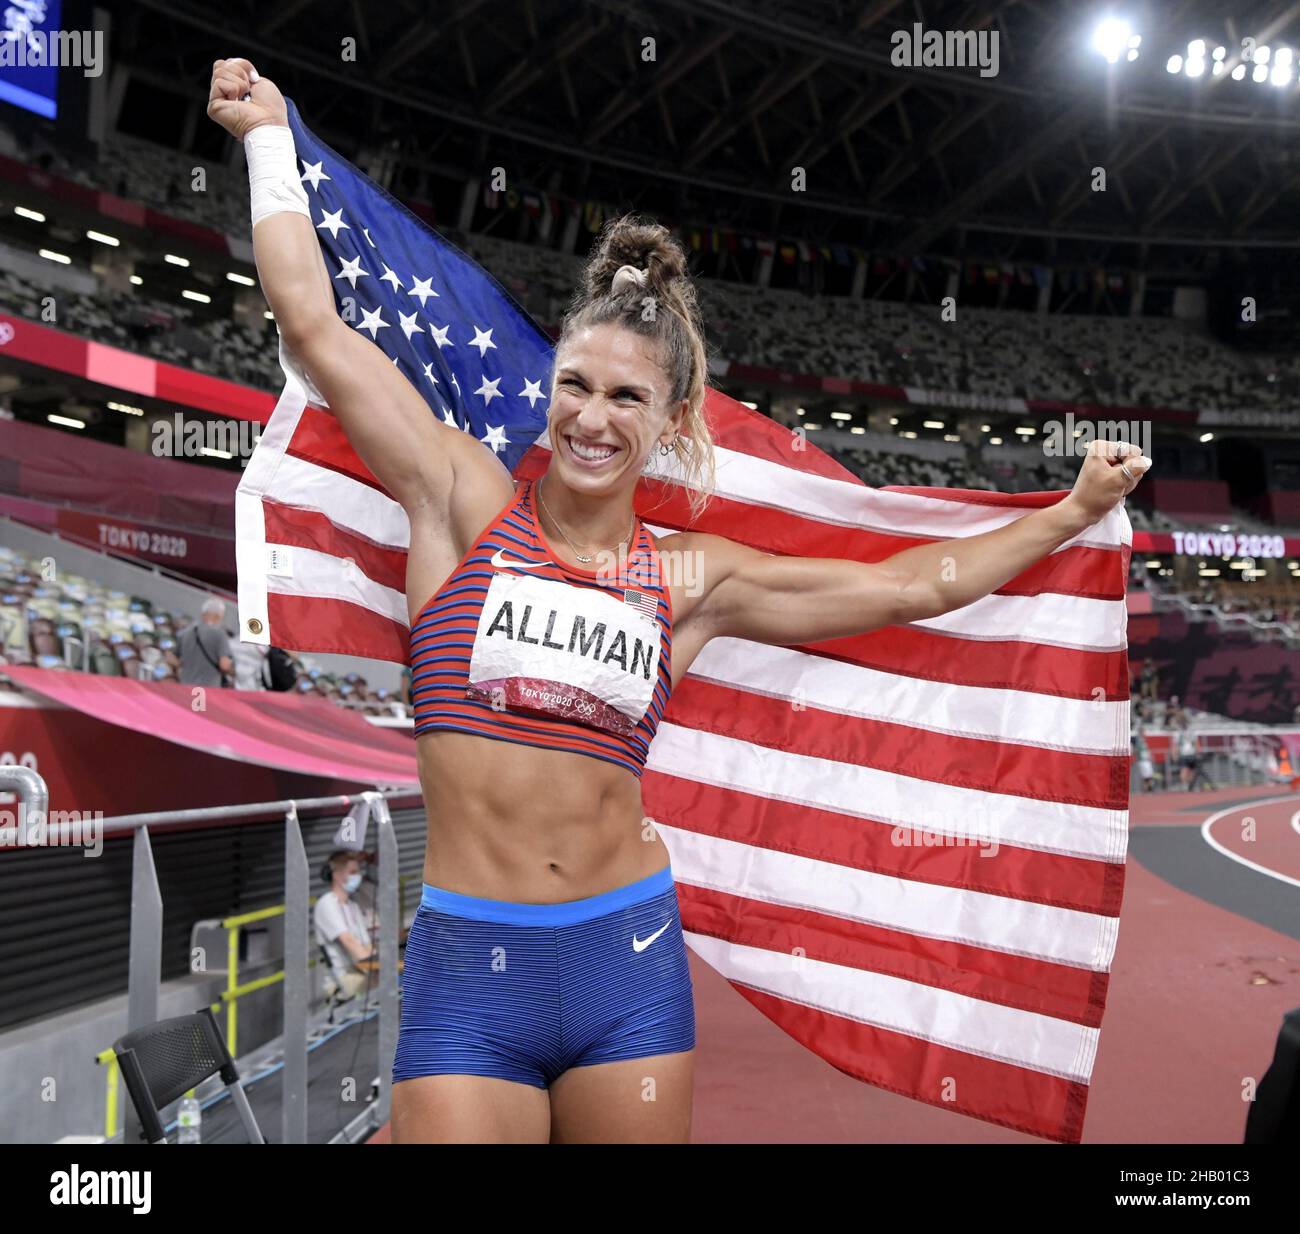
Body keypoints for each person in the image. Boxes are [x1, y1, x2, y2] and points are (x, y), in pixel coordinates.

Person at [206, 58, 1153, 1144]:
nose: (591, 418)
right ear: (549, 387)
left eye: (624, 397)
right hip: (473, 962)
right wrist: (270, 139)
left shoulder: (691, 579)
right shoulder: (461, 493)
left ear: (667, 424)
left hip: (627, 965)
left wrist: (1068, 514)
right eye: (574, 384)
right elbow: (313, 323)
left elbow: (906, 585)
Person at [313, 851, 376, 1002]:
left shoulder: (352, 906)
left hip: (359, 972)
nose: (358, 876)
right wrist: (378, 967)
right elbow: (348, 941)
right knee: (389, 985)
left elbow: (366, 944)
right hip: (341, 977)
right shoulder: (327, 904)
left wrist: (382, 963)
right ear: (337, 875)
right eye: (353, 872)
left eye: (358, 872)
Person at [177, 597, 234, 687]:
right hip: (207, 690)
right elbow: (224, 665)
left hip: (185, 687)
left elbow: (173, 659)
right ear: (218, 616)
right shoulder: (220, 634)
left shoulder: (185, 632)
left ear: (203, 613)